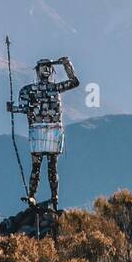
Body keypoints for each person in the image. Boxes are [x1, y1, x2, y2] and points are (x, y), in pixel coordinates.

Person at [6, 56, 79, 210]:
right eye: (43, 67)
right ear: (38, 70)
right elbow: (24, 107)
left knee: (50, 167)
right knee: (39, 166)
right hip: (41, 130)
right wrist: (14, 108)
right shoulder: (29, 90)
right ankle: (36, 196)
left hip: (51, 130)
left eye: (48, 67)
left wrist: (66, 64)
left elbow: (74, 82)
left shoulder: (52, 88)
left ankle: (53, 198)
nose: (45, 70)